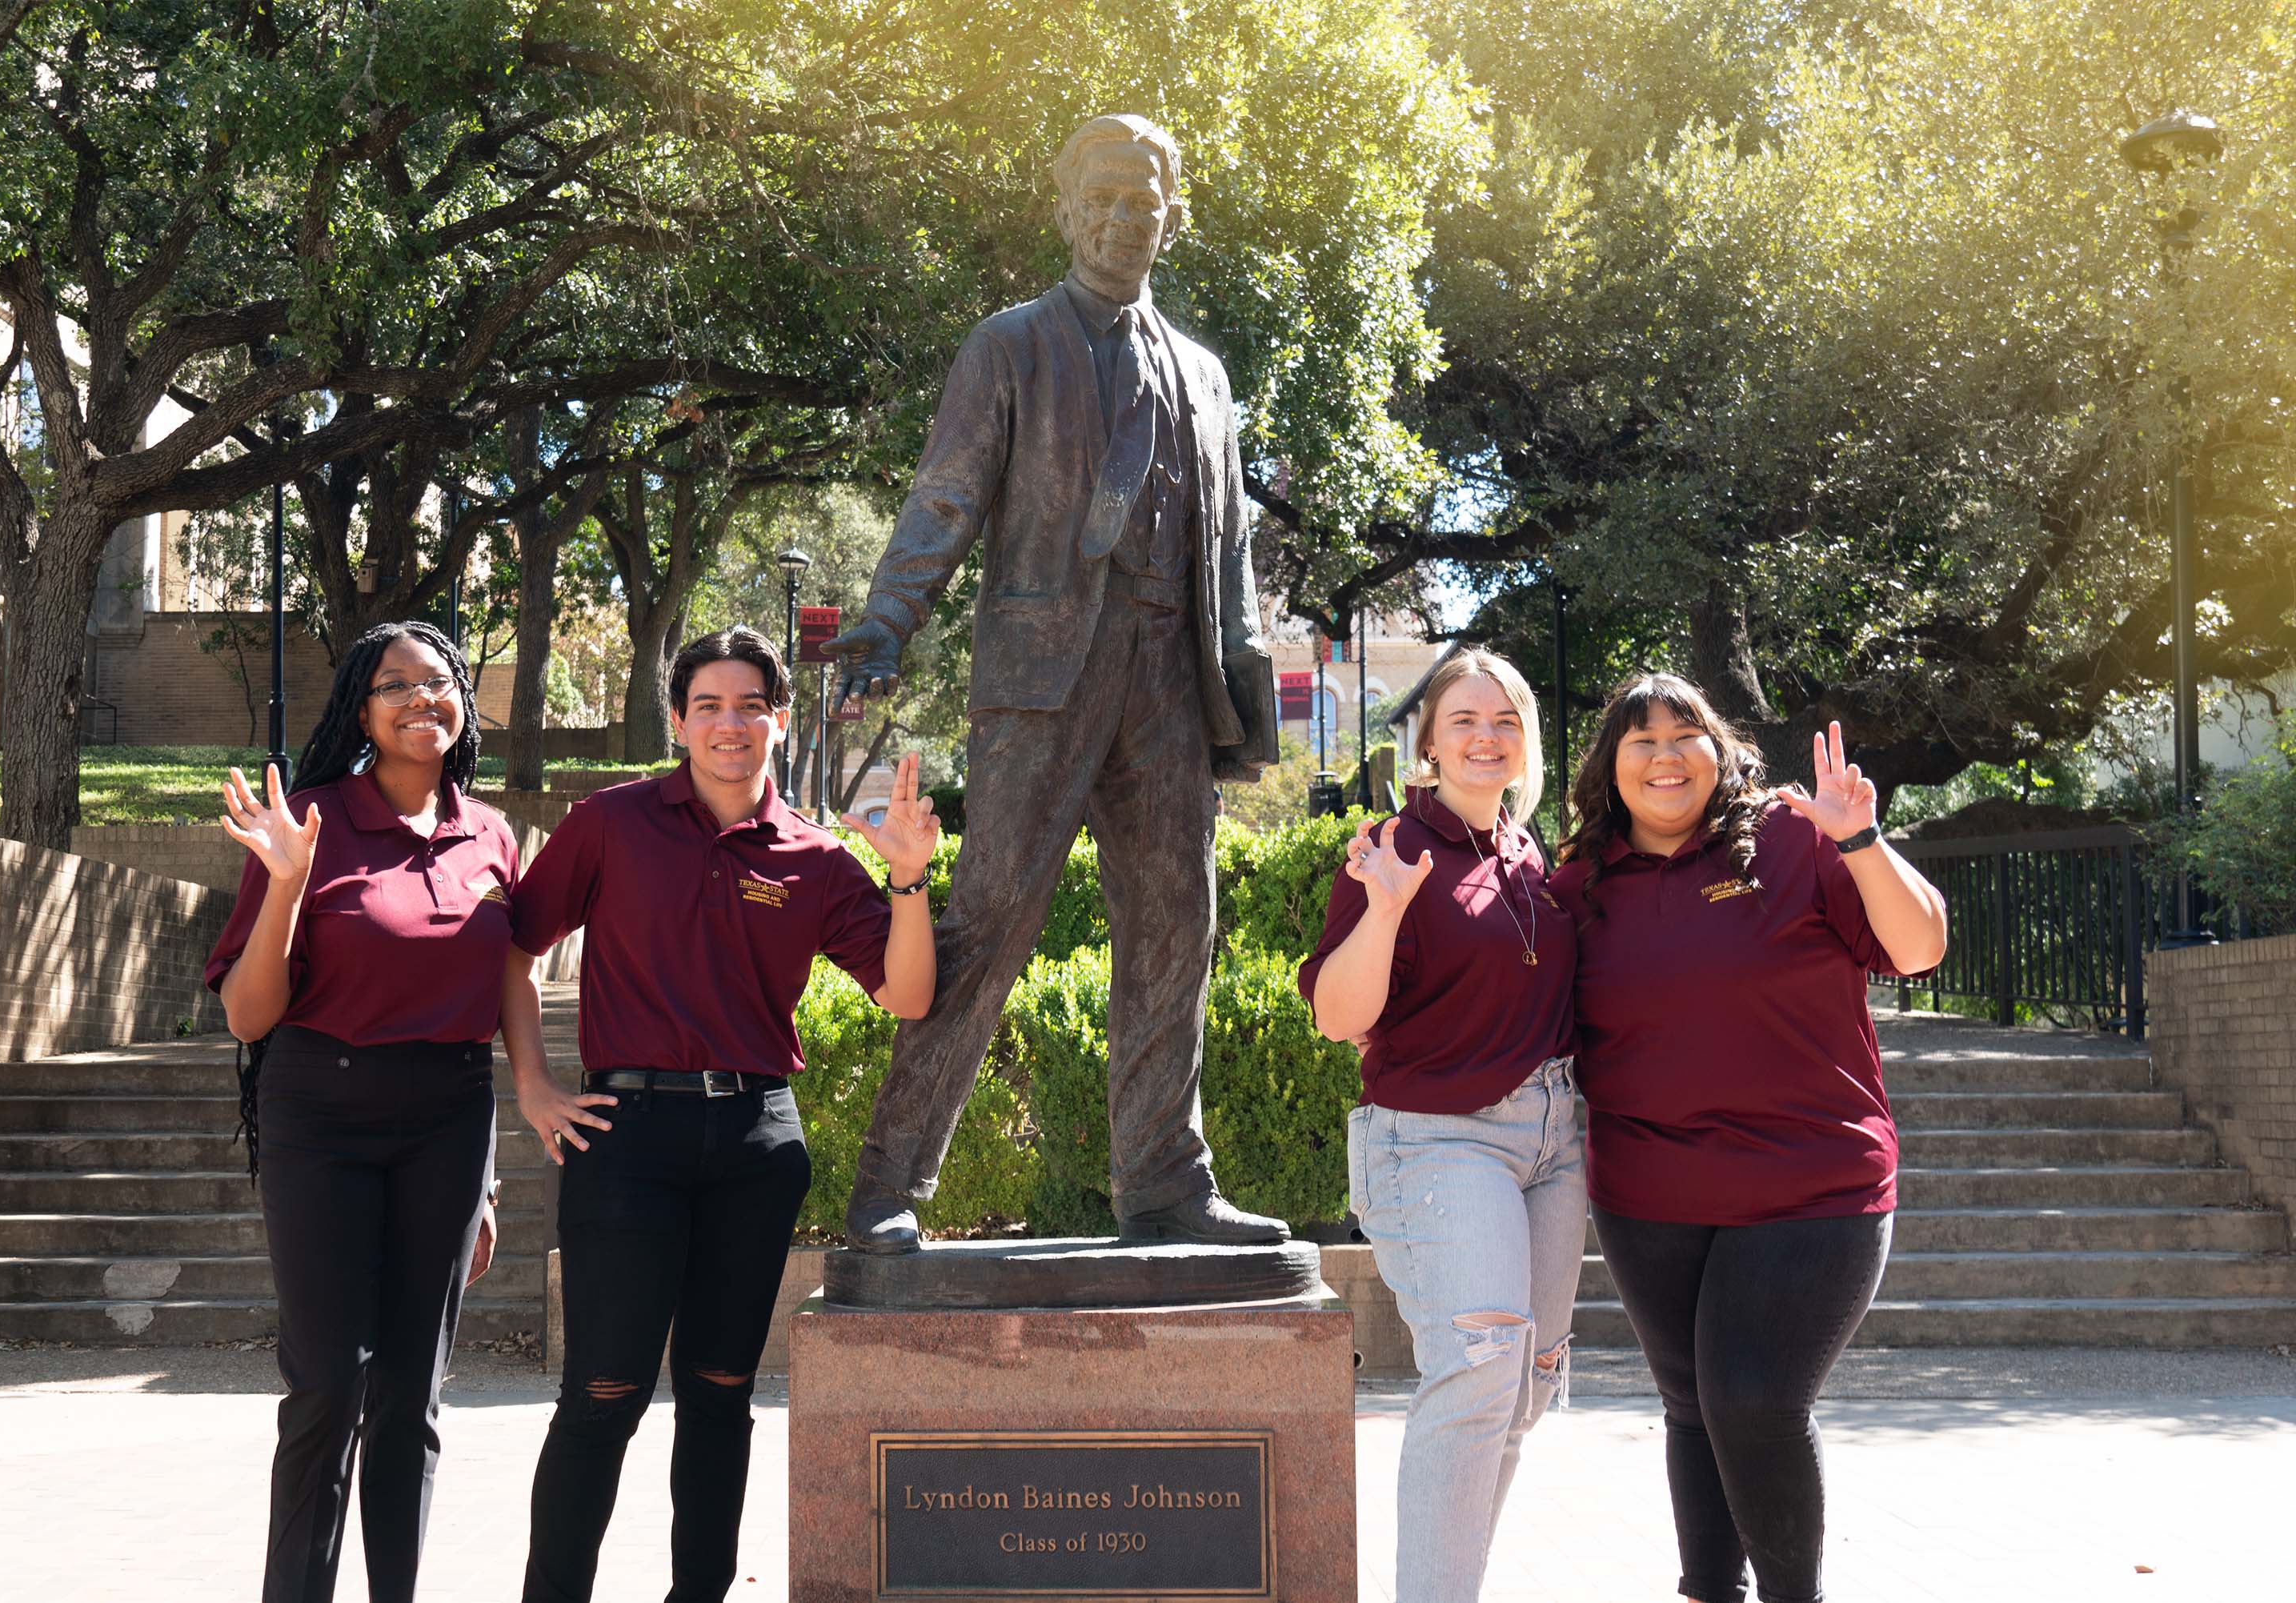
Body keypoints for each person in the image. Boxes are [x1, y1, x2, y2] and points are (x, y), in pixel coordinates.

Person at [823, 112, 1284, 1254]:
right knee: (990, 920)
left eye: (1147, 203)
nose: (1126, 220)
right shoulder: (1010, 345)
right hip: (1040, 678)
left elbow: (1225, 551)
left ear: (1172, 220)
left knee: (1180, 926)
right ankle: (889, 1184)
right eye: (1106, 199)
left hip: (1170, 681)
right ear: (1069, 209)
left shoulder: (1207, 374)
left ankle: (1166, 1182)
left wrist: (1239, 694)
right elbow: (947, 494)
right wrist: (890, 617)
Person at [504, 624, 938, 1603]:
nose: (729, 724)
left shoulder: (816, 858)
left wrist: (906, 876)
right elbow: (515, 945)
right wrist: (531, 1083)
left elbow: (906, 993)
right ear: (678, 719)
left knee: (718, 1395)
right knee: (601, 1395)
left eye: (750, 705)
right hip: (625, 1140)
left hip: (754, 1144)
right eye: (709, 705)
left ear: (779, 721)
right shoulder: (609, 823)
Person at [1546, 675, 1948, 1603]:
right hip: (1650, 1196)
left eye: (1686, 732)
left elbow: (1919, 946)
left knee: (1754, 1400)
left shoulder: (1795, 838)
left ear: (1720, 749)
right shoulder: (1580, 887)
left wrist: (1861, 837)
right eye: (1640, 739)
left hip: (1813, 1186)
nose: (1664, 754)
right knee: (1694, 1408)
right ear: (1611, 767)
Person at [206, 621, 531, 1603]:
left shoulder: (492, 834)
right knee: (327, 1387)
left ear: (465, 700)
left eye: (438, 681)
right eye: (394, 685)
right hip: (321, 1109)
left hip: (448, 1116)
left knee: (411, 1394)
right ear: (361, 709)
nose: (420, 698)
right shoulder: (307, 819)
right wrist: (289, 885)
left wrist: (487, 1181)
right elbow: (247, 1014)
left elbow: (496, 995)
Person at [1296, 648, 1581, 1603]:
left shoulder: (1528, 850)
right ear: (1426, 741)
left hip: (1552, 1141)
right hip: (1438, 1139)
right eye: (1464, 718)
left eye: (1504, 719)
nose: (1485, 735)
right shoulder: (1393, 846)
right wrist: (1383, 911)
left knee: (1528, 1384)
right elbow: (1339, 1016)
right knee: (1478, 1370)